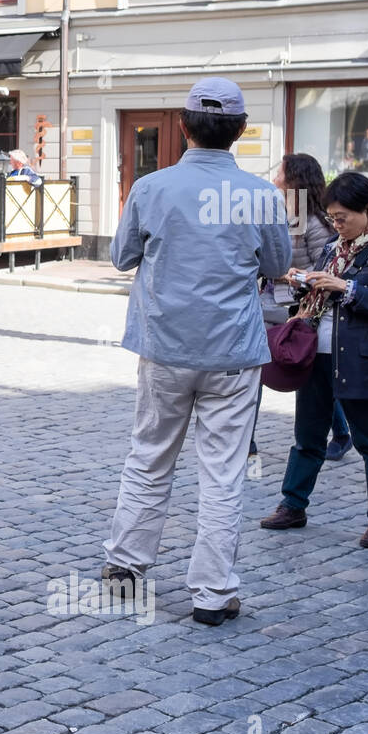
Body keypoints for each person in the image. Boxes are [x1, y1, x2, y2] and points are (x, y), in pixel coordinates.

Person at [102, 78, 291, 627]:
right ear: (241, 130)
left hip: (165, 347)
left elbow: (120, 256)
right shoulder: (261, 194)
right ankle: (212, 593)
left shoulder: (152, 187)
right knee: (223, 473)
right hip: (231, 349)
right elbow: (278, 266)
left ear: (184, 126)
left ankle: (125, 566)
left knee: (149, 455)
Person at [260, 173, 368, 549]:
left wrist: (347, 287)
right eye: (331, 216)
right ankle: (293, 504)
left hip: (358, 359)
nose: (336, 223)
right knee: (307, 436)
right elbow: (323, 292)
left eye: (342, 216)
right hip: (317, 355)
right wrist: (305, 282)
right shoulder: (333, 247)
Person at [267, 153, 353, 462]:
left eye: (281, 170)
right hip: (274, 300)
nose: (275, 173)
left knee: (310, 373)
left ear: (294, 179)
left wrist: (285, 274)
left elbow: (326, 270)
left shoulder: (315, 222)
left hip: (298, 306)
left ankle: (341, 432)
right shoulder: (285, 211)